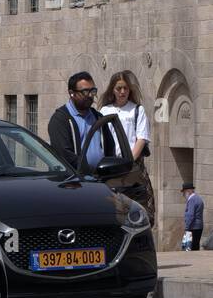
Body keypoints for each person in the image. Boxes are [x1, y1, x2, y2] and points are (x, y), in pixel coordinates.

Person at [100, 70, 155, 219]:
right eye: (119, 88)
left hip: (133, 165)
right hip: (111, 167)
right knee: (114, 209)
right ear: (113, 89)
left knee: (140, 209)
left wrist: (128, 161)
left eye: (125, 88)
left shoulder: (137, 110)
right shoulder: (105, 110)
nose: (122, 92)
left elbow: (142, 138)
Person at [47, 71, 118, 171]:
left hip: (101, 180)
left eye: (93, 91)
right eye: (85, 91)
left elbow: (110, 148)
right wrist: (88, 173)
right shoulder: (60, 120)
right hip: (74, 182)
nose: (90, 95)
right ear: (72, 93)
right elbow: (64, 155)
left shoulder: (98, 118)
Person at [183, 183, 204, 251]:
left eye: (184, 192)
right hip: (199, 226)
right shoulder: (198, 198)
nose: (183, 194)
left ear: (188, 191)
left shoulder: (192, 200)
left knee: (190, 247)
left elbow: (190, 215)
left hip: (193, 227)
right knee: (196, 245)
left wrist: (187, 227)